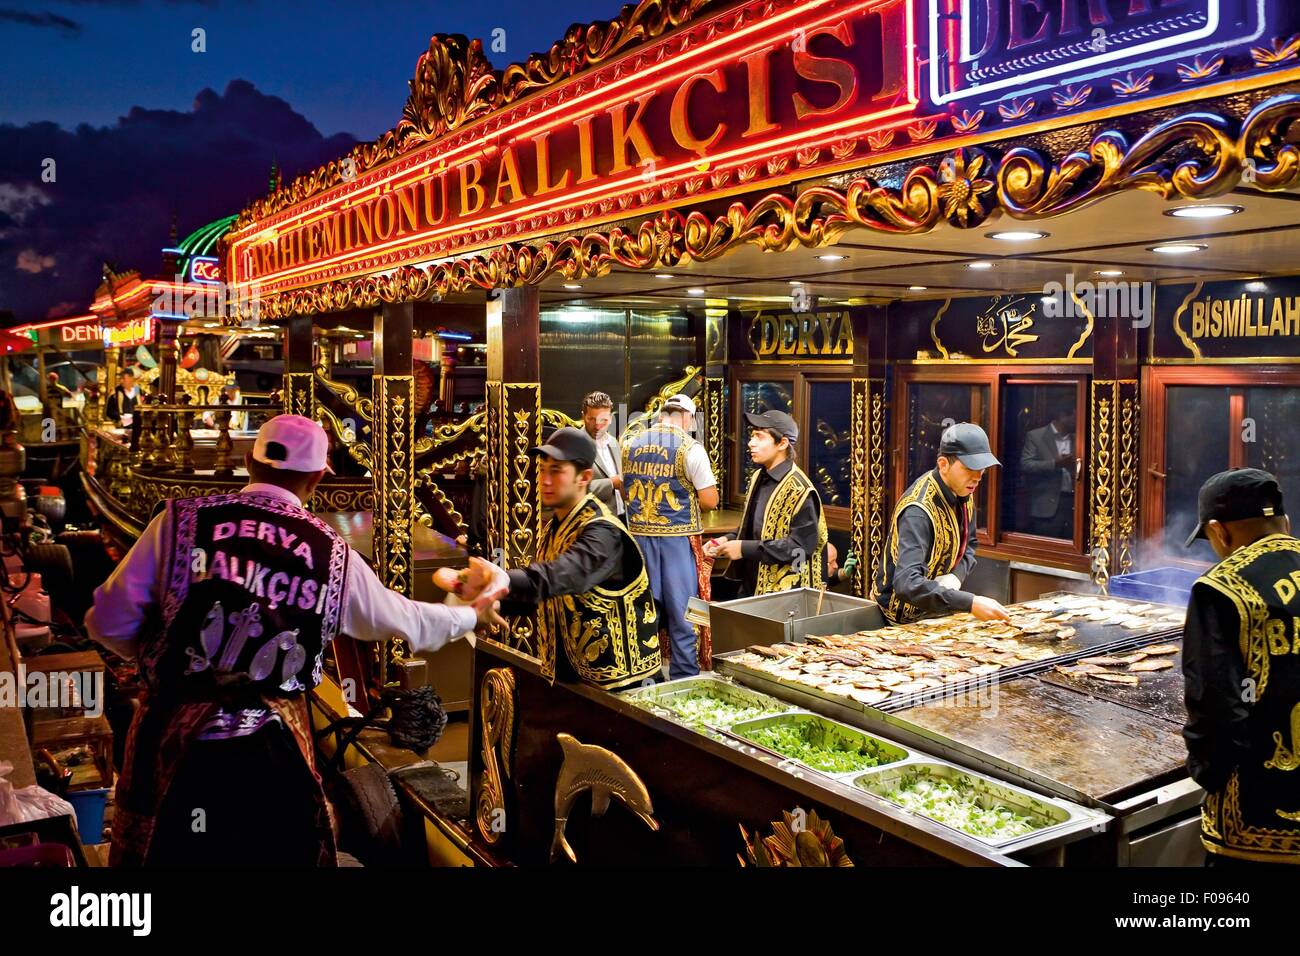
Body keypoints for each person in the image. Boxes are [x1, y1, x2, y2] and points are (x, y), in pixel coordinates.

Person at [83, 414, 505, 867]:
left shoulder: (179, 520)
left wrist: (169, 668)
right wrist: (468, 615)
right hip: (265, 754)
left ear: (249, 461)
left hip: (171, 742)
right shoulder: (330, 551)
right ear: (319, 476)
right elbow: (406, 621)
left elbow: (106, 621)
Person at [467, 426, 661, 689]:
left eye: (556, 470)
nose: (545, 479)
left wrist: (499, 579)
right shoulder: (555, 527)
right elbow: (551, 593)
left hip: (622, 688)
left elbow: (565, 575)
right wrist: (495, 605)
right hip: (573, 680)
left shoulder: (603, 531)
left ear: (584, 477)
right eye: (543, 469)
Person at [1181, 467, 1300, 867]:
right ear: (1285, 522)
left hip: (1257, 816)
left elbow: (1215, 700)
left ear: (1219, 531)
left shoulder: (1220, 587)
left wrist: (1207, 773)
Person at [871, 422, 1011, 624]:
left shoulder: (963, 490)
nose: (978, 476)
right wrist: (969, 602)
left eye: (982, 469)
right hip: (899, 620)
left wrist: (955, 577)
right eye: (970, 468)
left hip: (939, 613)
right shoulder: (917, 512)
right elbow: (906, 584)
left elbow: (969, 544)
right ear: (943, 464)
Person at [623, 394, 718, 678]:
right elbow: (710, 499)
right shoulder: (691, 448)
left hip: (638, 541)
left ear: (661, 414)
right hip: (678, 541)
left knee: (644, 613)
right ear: (687, 418)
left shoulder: (629, 444)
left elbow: (624, 487)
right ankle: (684, 676)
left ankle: (646, 677)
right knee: (683, 614)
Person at [706, 409, 827, 597]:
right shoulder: (758, 476)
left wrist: (744, 549)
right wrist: (726, 539)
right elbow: (754, 526)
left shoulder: (800, 489)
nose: (751, 443)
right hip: (751, 584)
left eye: (760, 437)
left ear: (782, 443)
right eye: (752, 436)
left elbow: (800, 548)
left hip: (784, 594)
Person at [1020, 407, 1077, 539]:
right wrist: (1055, 464)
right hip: (1046, 505)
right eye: (1075, 416)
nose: (1077, 421)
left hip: (1073, 504)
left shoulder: (1079, 438)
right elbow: (1025, 465)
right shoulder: (1036, 436)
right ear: (1063, 415)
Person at [581, 391, 625, 520]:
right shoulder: (575, 444)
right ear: (583, 416)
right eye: (592, 419)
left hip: (621, 518)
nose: (598, 425)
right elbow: (573, 488)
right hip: (594, 522)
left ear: (611, 418)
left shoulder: (614, 442)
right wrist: (611, 483)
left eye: (603, 420)